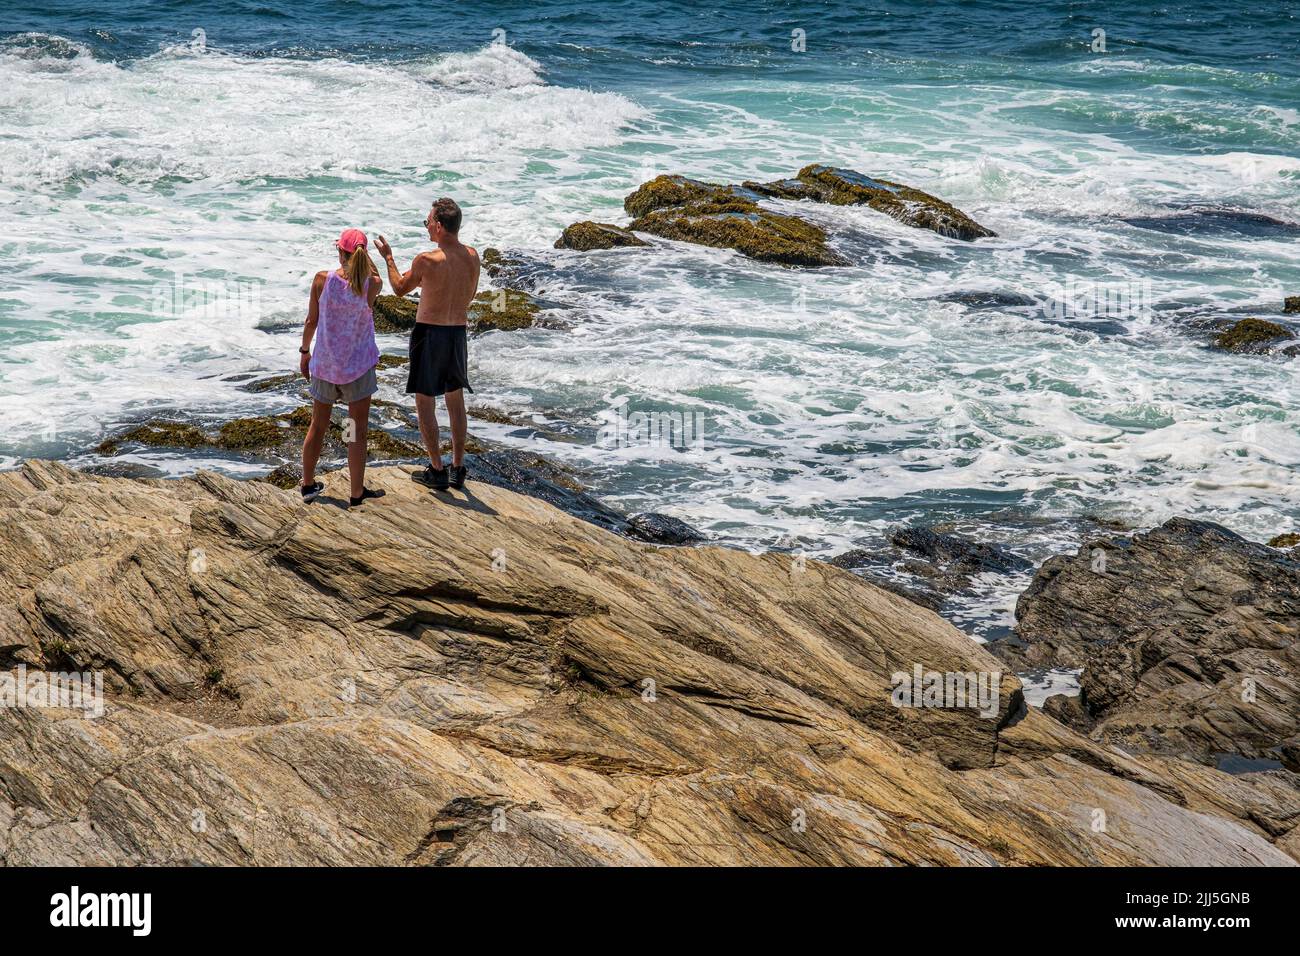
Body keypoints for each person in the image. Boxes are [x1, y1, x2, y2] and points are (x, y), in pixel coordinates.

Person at [374, 197, 480, 492]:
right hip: (457, 333)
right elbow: (468, 297)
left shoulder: (427, 260)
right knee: (455, 398)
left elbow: (398, 289)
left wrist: (389, 258)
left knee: (424, 401)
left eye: (428, 222)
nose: (427, 227)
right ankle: (458, 467)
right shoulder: (473, 256)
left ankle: (437, 469)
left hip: (430, 333)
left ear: (440, 226)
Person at [298, 228, 385, 508]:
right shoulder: (372, 284)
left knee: (318, 426)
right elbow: (371, 276)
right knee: (354, 429)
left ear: (340, 252)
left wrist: (304, 352)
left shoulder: (322, 280)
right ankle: (356, 492)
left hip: (325, 365)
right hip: (357, 368)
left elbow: (311, 321)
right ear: (364, 255)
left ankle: (308, 485)